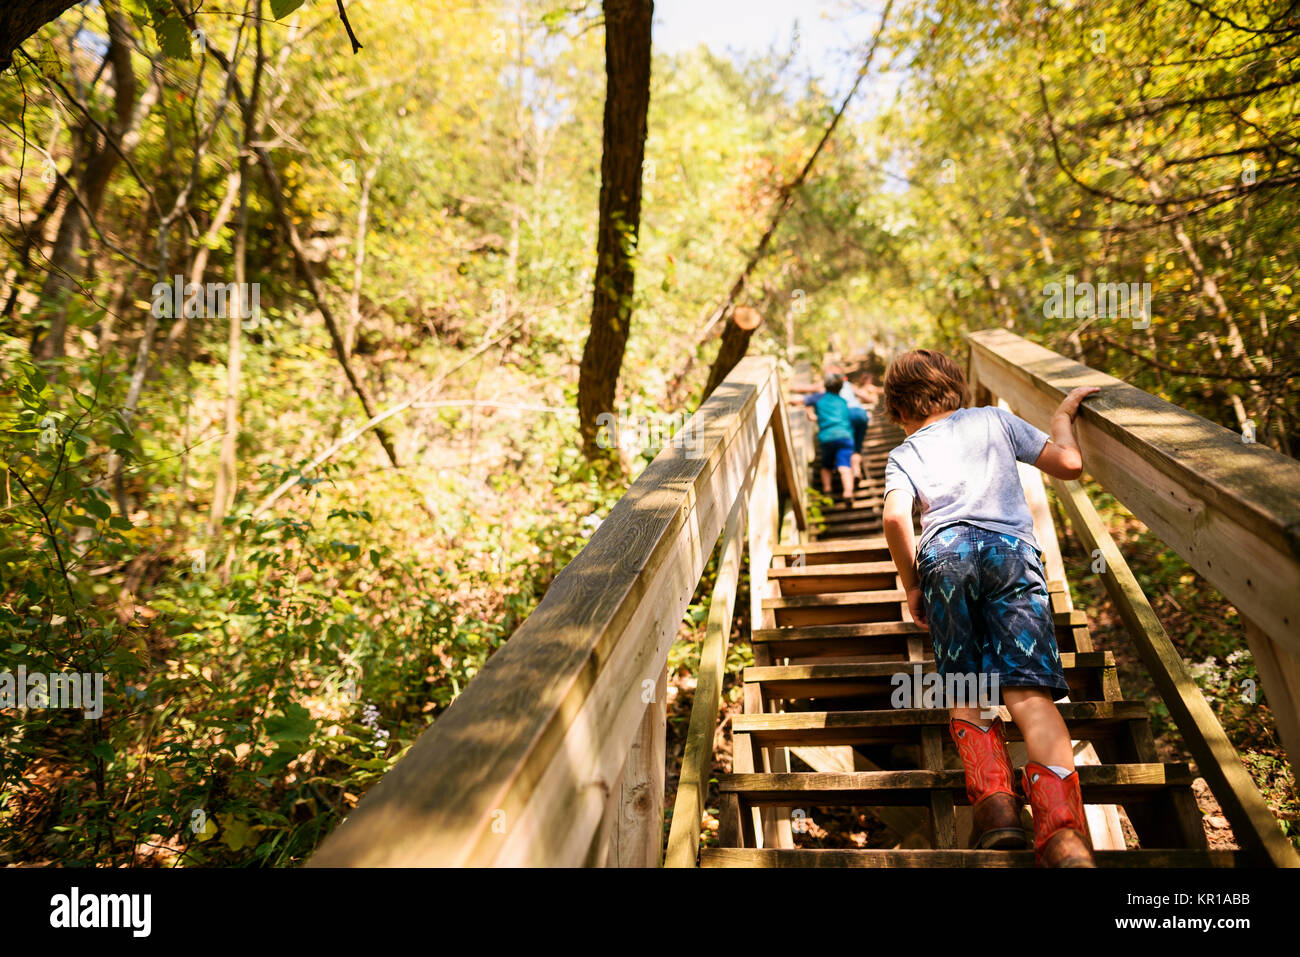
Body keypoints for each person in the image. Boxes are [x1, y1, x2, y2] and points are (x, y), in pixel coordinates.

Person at [879, 348, 1100, 867]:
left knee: (967, 688)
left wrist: (913, 585)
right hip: (1011, 556)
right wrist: (1062, 419)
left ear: (899, 411)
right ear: (954, 386)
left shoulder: (905, 452)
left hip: (945, 560)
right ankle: (1063, 837)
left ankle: (998, 814)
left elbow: (894, 520)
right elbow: (1069, 465)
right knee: (1029, 695)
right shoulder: (994, 419)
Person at [801, 372, 856, 504]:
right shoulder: (843, 401)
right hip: (845, 436)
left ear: (825, 384)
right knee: (845, 465)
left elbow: (802, 400)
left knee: (826, 465)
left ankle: (827, 490)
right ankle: (848, 492)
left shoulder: (819, 398)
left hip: (827, 437)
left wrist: (810, 412)